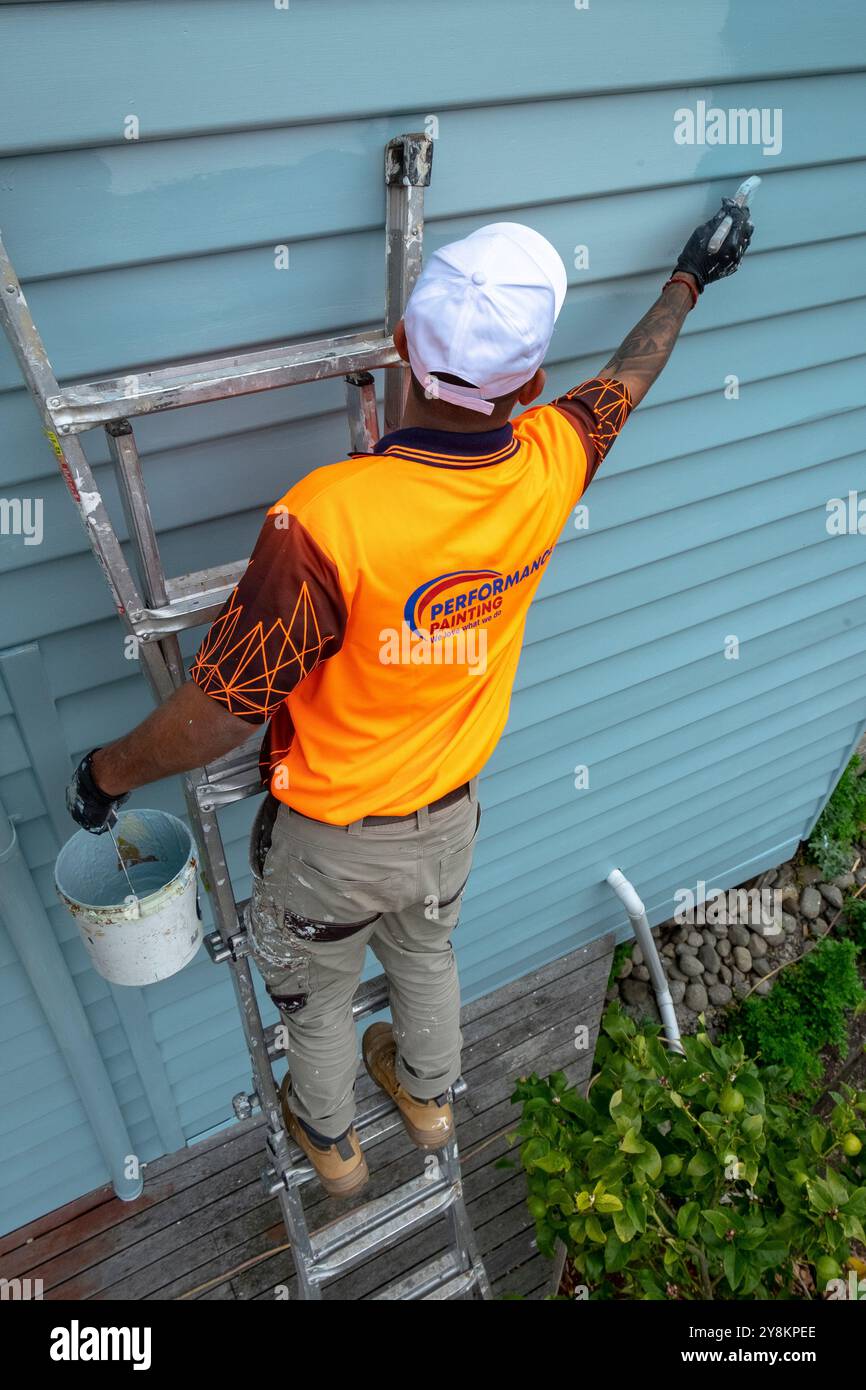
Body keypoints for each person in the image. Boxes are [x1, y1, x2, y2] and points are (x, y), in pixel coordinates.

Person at [67, 201, 753, 1197]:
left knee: (316, 998)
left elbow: (224, 709)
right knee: (426, 952)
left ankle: (334, 1143)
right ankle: (430, 1098)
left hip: (334, 845)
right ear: (525, 382)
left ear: (399, 345)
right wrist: (687, 278)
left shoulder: (328, 521)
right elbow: (628, 379)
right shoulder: (554, 461)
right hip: (450, 819)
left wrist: (104, 773)